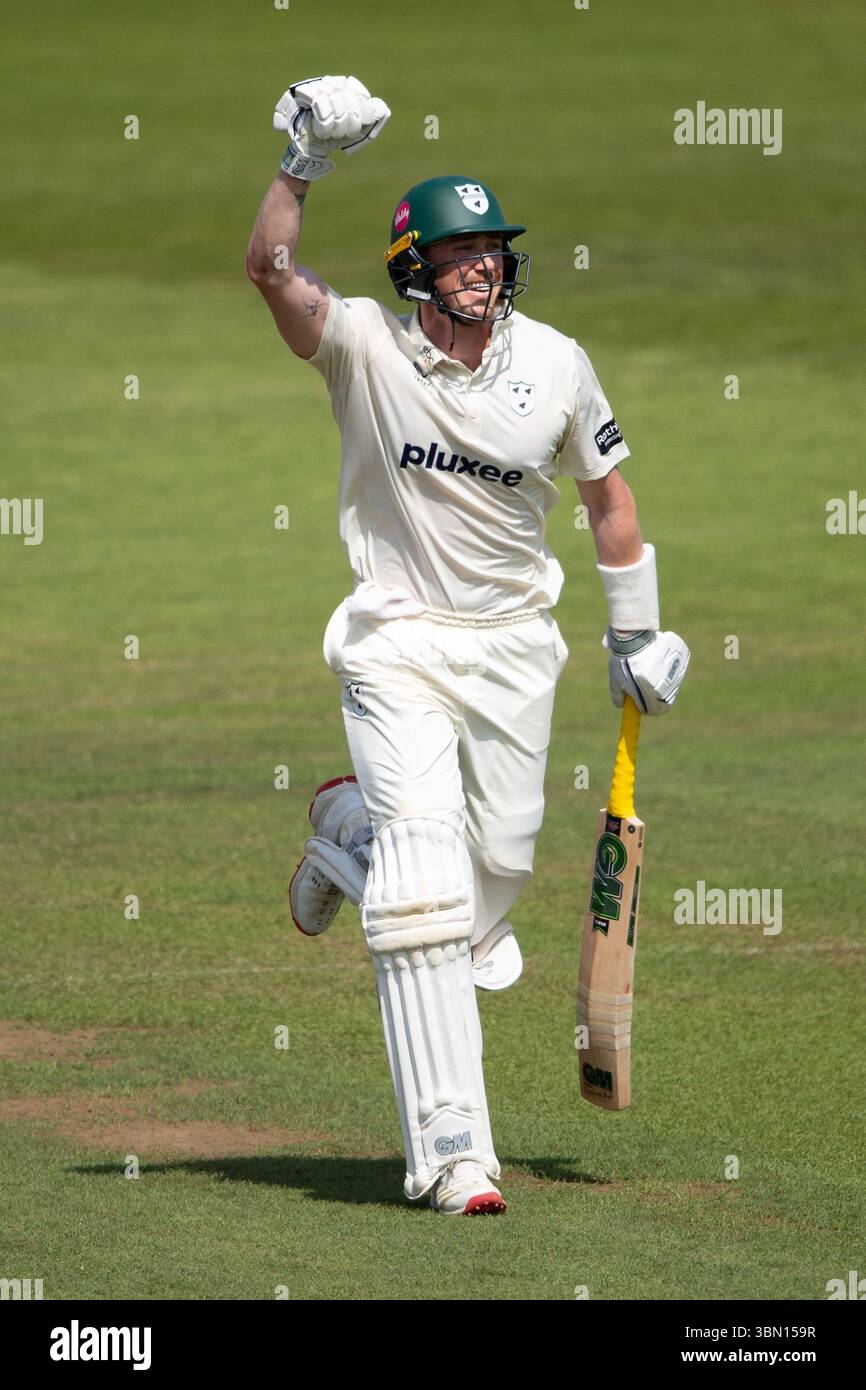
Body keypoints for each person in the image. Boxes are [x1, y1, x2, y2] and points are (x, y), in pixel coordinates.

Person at [247, 76, 689, 1216]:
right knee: (427, 897)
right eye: (459, 255)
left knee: (491, 889)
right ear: (415, 272)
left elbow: (608, 501)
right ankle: (452, 1152)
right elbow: (269, 274)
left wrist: (634, 635)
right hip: (395, 641)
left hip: (510, 651)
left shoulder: (555, 362)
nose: (482, 267)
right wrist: (299, 162)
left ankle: (346, 835)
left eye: (491, 250)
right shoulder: (363, 349)